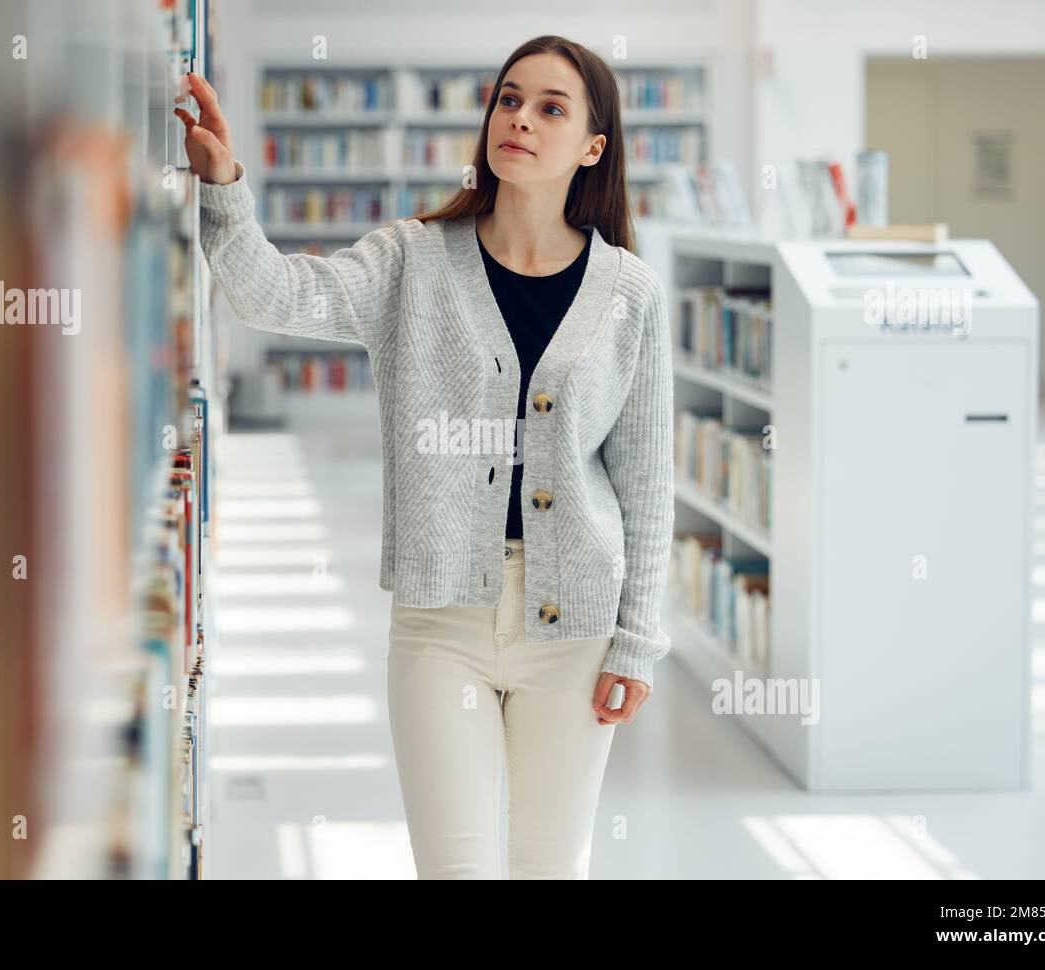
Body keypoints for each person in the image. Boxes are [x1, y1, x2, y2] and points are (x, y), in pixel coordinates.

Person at [176, 34, 675, 879]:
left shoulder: (631, 294)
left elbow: (647, 482)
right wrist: (224, 187)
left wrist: (637, 642)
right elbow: (273, 295)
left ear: (593, 147)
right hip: (442, 624)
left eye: (551, 107)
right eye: (509, 98)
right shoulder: (410, 260)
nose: (519, 117)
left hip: (576, 632)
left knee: (552, 868)